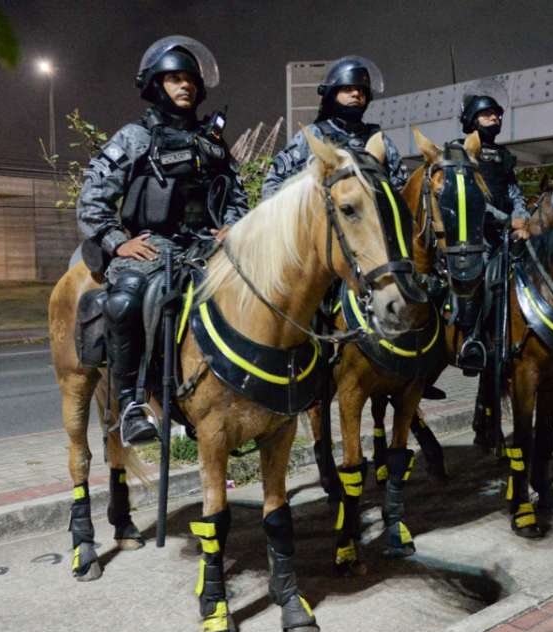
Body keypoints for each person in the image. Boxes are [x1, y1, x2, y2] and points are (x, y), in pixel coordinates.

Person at [77, 36, 249, 444]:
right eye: (174, 78)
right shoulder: (134, 138)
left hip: (207, 245)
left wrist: (232, 225)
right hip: (152, 247)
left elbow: (235, 193)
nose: (184, 85)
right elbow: (93, 196)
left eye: (189, 79)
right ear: (157, 84)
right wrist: (118, 241)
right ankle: (132, 403)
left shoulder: (213, 141)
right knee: (125, 299)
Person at [454, 82, 530, 371]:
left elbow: (514, 192)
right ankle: (471, 341)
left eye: (497, 115)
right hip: (474, 236)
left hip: (506, 235)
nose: (495, 119)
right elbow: (469, 198)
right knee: (479, 278)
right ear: (472, 119)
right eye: (488, 115)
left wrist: (522, 221)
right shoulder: (459, 152)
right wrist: (506, 219)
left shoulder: (503, 156)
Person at [262, 55, 407, 199]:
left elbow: (402, 190)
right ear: (332, 94)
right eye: (348, 89)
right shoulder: (312, 136)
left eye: (361, 90)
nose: (356, 94)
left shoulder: (378, 140)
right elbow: (273, 184)